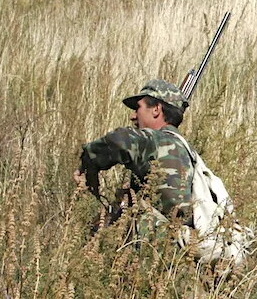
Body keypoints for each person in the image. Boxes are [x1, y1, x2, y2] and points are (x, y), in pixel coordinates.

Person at [76, 79, 197, 234]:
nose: (133, 116)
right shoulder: (189, 152)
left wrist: (88, 165)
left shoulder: (157, 141)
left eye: (138, 108)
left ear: (156, 109)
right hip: (181, 241)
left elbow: (119, 140)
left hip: (154, 242)